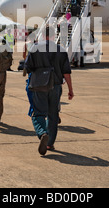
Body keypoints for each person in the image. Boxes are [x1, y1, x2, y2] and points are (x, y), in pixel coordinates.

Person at [24, 26, 74, 155]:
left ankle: (42, 133)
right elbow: (67, 73)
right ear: (54, 36)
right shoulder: (61, 50)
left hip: (39, 85)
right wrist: (70, 89)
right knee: (53, 115)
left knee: (38, 113)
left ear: (42, 35)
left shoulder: (35, 48)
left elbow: (27, 68)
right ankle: (50, 143)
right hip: (56, 86)